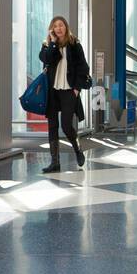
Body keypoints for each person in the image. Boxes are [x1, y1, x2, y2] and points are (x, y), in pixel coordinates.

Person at [39, 15, 91, 173]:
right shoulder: (47, 45)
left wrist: (77, 89)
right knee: (52, 126)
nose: (58, 28)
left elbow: (83, 68)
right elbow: (46, 59)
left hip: (69, 91)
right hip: (52, 91)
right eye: (55, 26)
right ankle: (55, 162)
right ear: (52, 29)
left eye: (61, 25)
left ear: (66, 27)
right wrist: (53, 44)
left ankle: (77, 150)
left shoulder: (75, 45)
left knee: (66, 125)